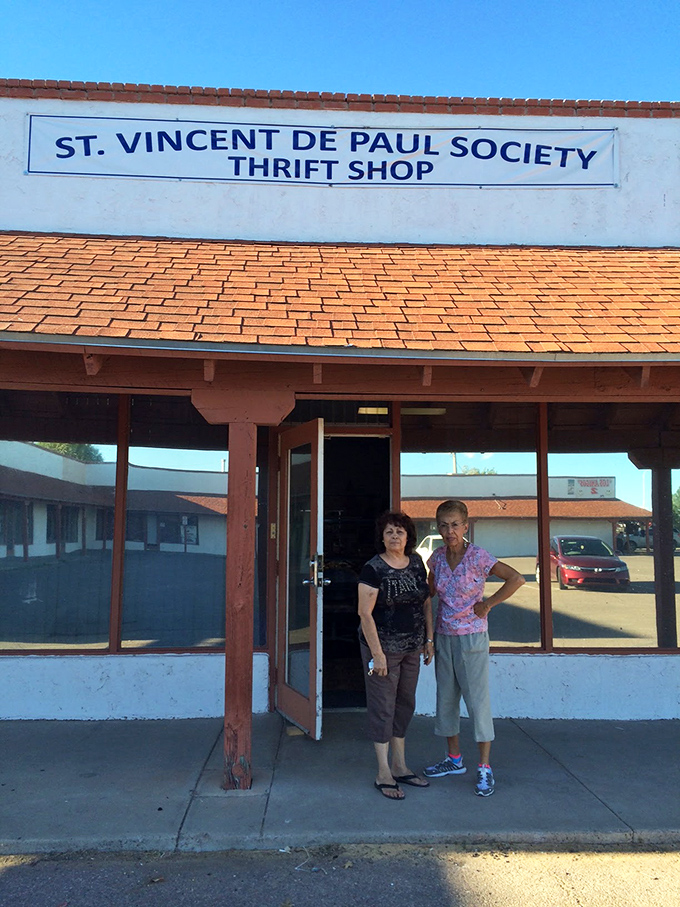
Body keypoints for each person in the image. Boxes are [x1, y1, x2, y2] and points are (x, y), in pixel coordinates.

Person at [423, 499, 525, 797]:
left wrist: (488, 604)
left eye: (455, 524)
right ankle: (454, 760)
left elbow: (516, 578)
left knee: (477, 702)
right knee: (446, 700)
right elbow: (428, 593)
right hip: (443, 637)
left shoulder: (479, 556)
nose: (449, 530)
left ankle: (484, 767)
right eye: (443, 524)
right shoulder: (437, 559)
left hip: (472, 638)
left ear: (466, 526)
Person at [358, 510, 434, 800]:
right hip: (384, 649)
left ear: (408, 536)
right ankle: (383, 772)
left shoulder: (416, 563)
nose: (394, 536)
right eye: (389, 531)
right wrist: (377, 655)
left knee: (405, 704)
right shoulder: (373, 569)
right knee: (383, 707)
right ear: (382, 536)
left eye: (399, 532)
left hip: (413, 647)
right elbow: (365, 613)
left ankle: (400, 765)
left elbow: (425, 601)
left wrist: (428, 639)